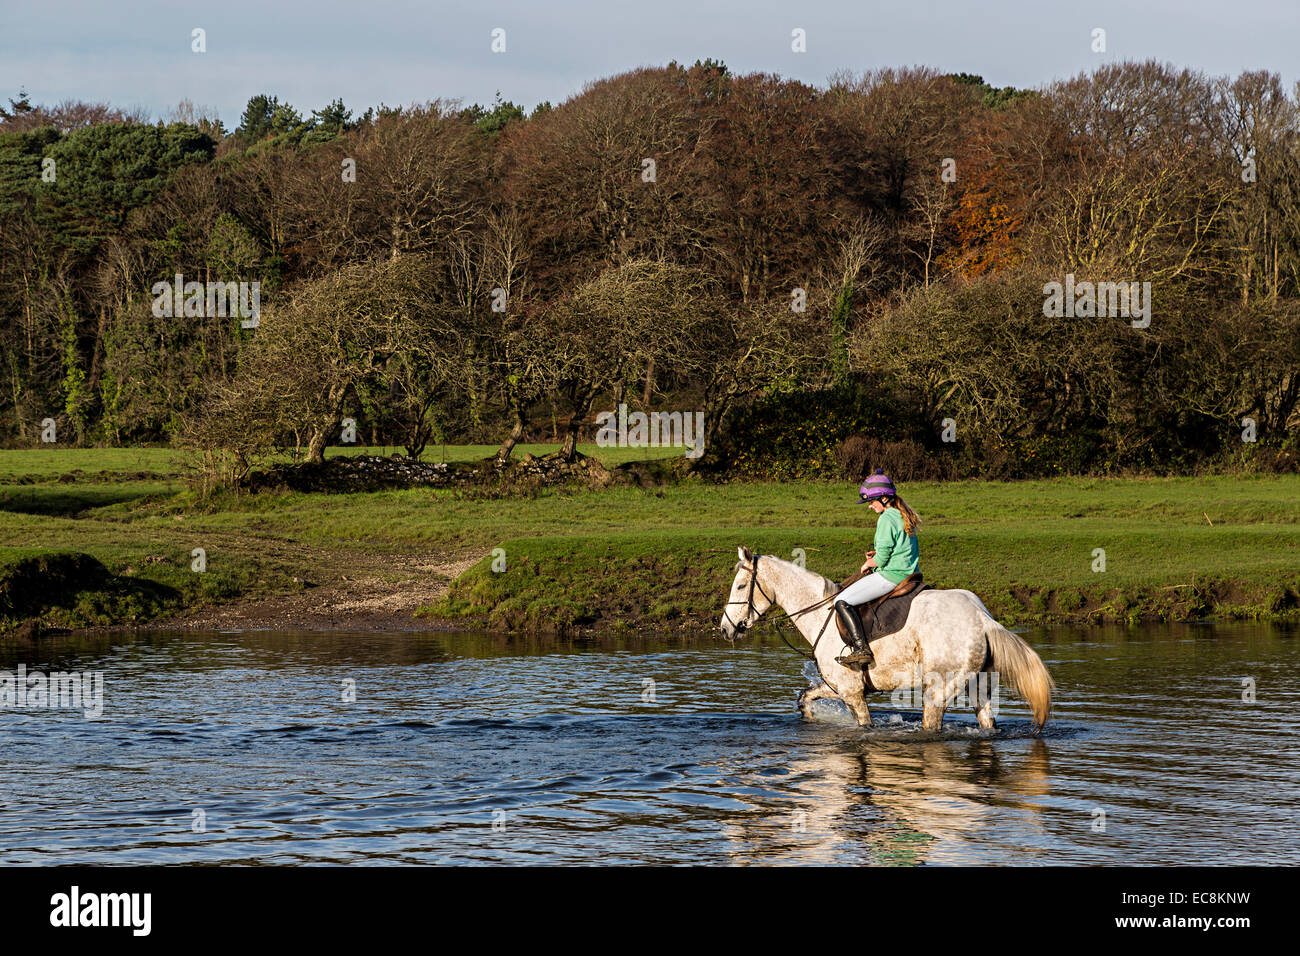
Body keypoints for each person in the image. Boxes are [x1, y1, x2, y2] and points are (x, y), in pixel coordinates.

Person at [835, 470, 921, 668]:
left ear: (884, 498)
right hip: (911, 573)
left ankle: (860, 649)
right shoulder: (902, 514)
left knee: (841, 600)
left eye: (872, 501)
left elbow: (882, 559)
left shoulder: (885, 519)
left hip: (892, 575)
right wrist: (877, 556)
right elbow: (899, 547)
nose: (870, 506)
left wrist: (869, 563)